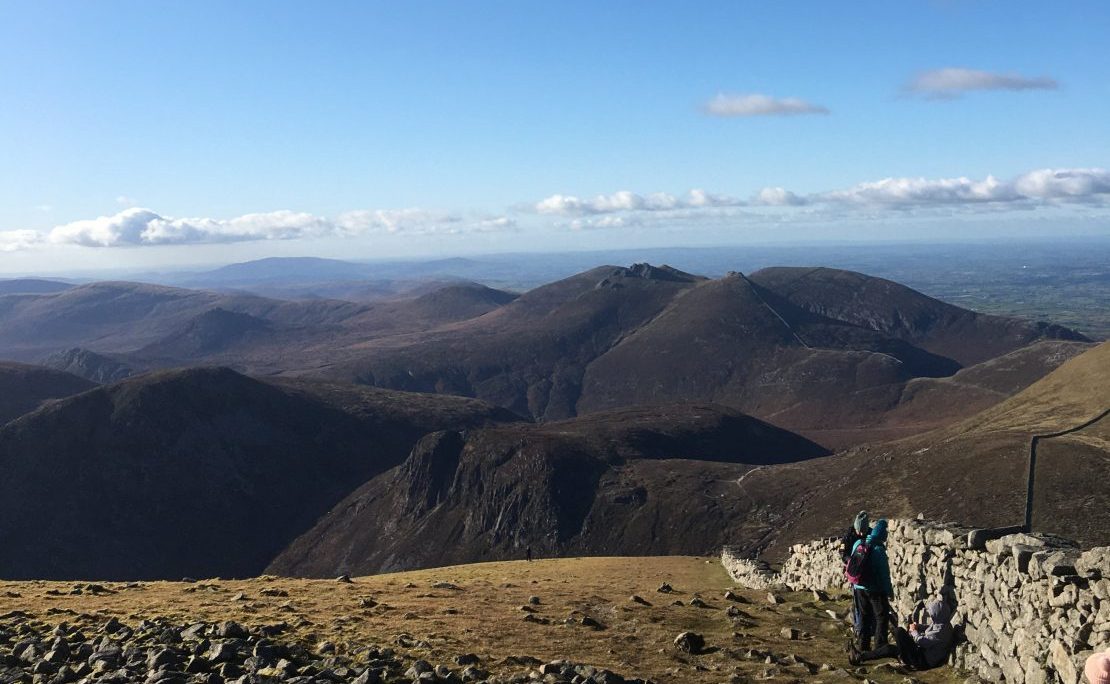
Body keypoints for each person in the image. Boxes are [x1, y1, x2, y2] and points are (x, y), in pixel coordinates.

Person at [848, 518, 895, 665]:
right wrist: (889, 591)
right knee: (881, 617)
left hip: (859, 588)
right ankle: (880, 646)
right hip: (875, 590)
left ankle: (863, 645)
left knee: (864, 616)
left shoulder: (858, 543)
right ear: (882, 535)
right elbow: (884, 575)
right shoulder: (879, 550)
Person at [894, 598, 954, 669]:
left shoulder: (941, 631)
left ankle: (906, 660)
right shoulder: (944, 623)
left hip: (923, 661)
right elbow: (931, 627)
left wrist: (914, 631)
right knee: (901, 634)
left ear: (936, 613)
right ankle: (903, 657)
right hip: (923, 653)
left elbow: (921, 641)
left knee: (899, 632)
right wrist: (919, 626)